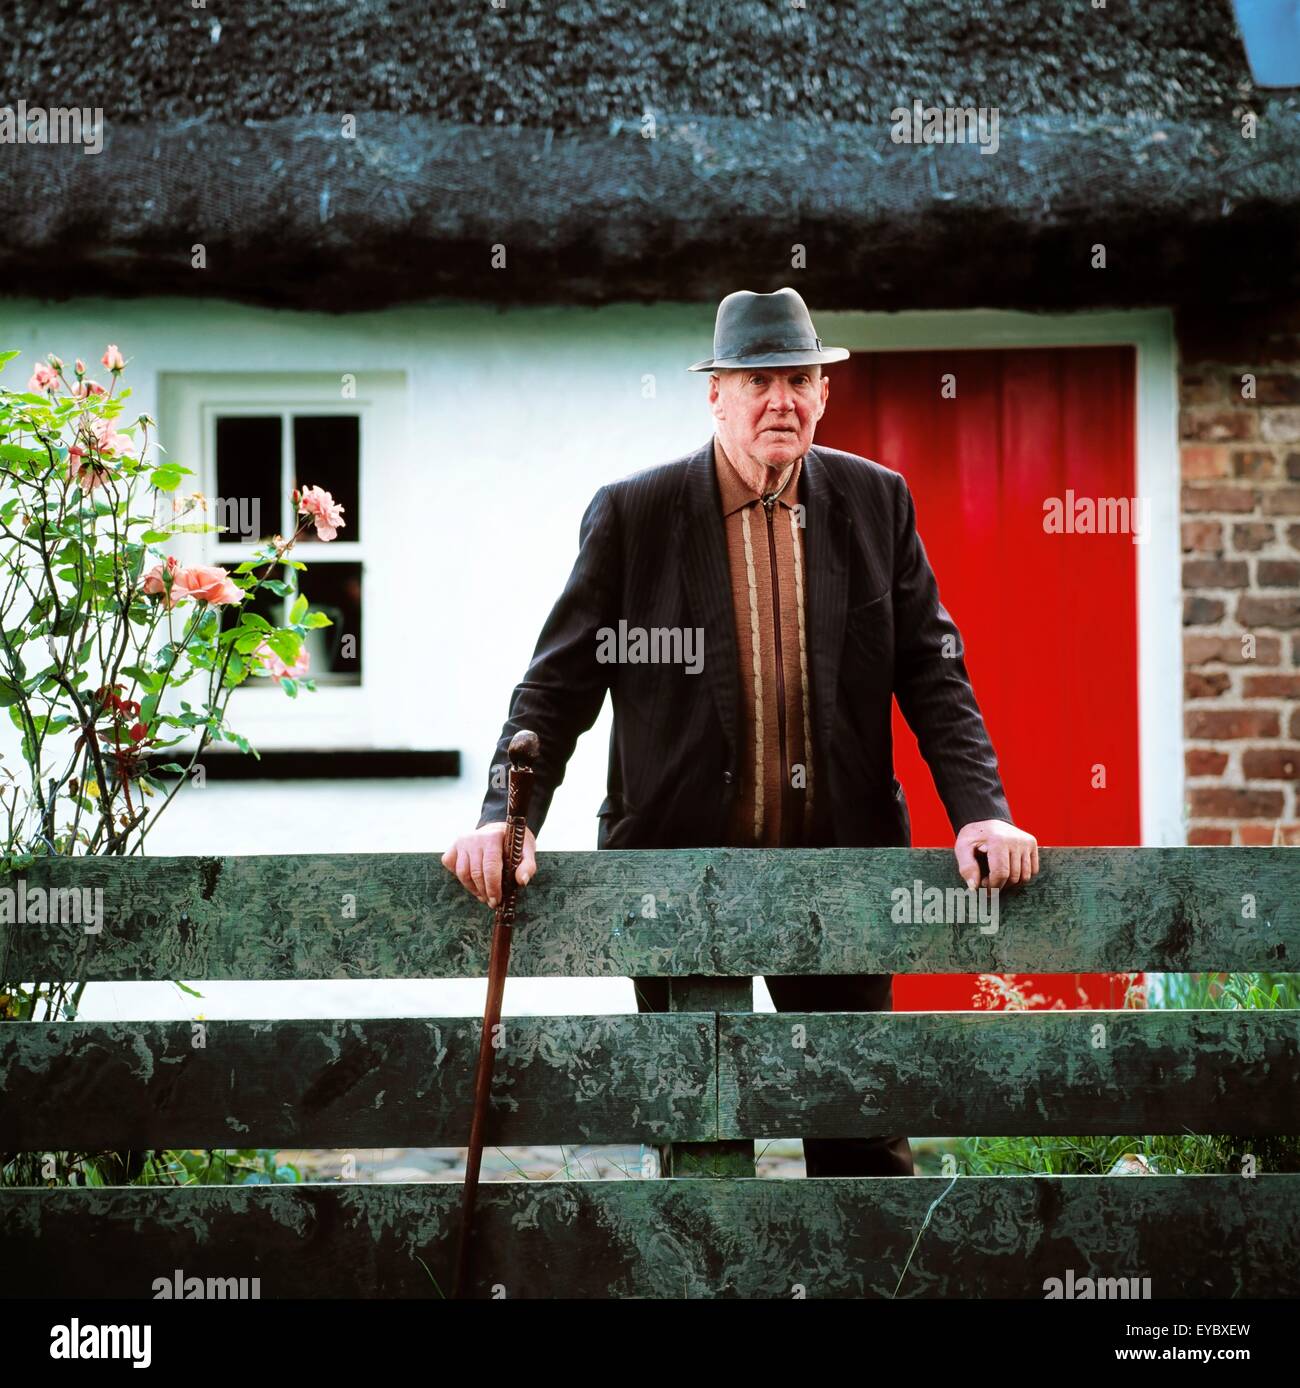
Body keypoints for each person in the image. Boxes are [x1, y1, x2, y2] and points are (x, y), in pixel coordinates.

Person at [442, 286, 1038, 1177]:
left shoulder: (877, 503)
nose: (780, 401)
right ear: (714, 393)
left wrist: (981, 811)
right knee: (704, 1131)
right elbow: (556, 688)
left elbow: (932, 671)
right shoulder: (635, 515)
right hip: (681, 880)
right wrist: (508, 815)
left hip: (840, 875)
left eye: (798, 378)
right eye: (756, 381)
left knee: (862, 1132)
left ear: (825, 392)